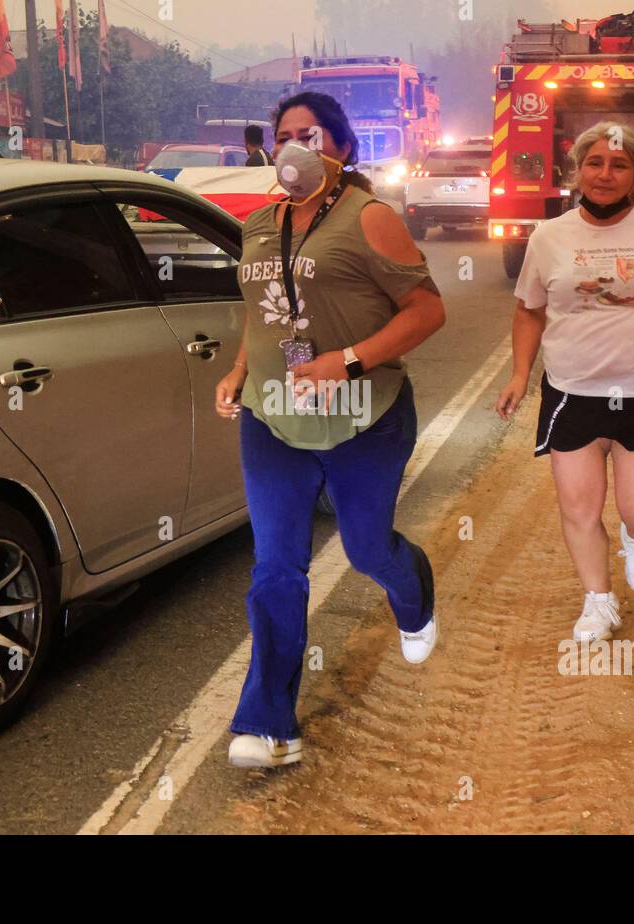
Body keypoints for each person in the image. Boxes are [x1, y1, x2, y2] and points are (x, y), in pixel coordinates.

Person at [216, 91, 446, 768]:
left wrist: (346, 362)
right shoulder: (260, 222)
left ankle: (415, 601)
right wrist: (238, 372)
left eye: (309, 134)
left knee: (367, 550)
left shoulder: (370, 219)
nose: (294, 146)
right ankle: (268, 726)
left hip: (363, 416)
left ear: (341, 148)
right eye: (284, 135)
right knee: (275, 567)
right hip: (273, 418)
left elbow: (427, 312)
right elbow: (262, 314)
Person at [496, 121, 634, 644]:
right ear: (578, 170)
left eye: (619, 165)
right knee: (578, 507)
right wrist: (521, 374)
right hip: (572, 390)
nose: (605, 174)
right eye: (595, 163)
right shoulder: (550, 236)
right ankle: (598, 601)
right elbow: (529, 310)